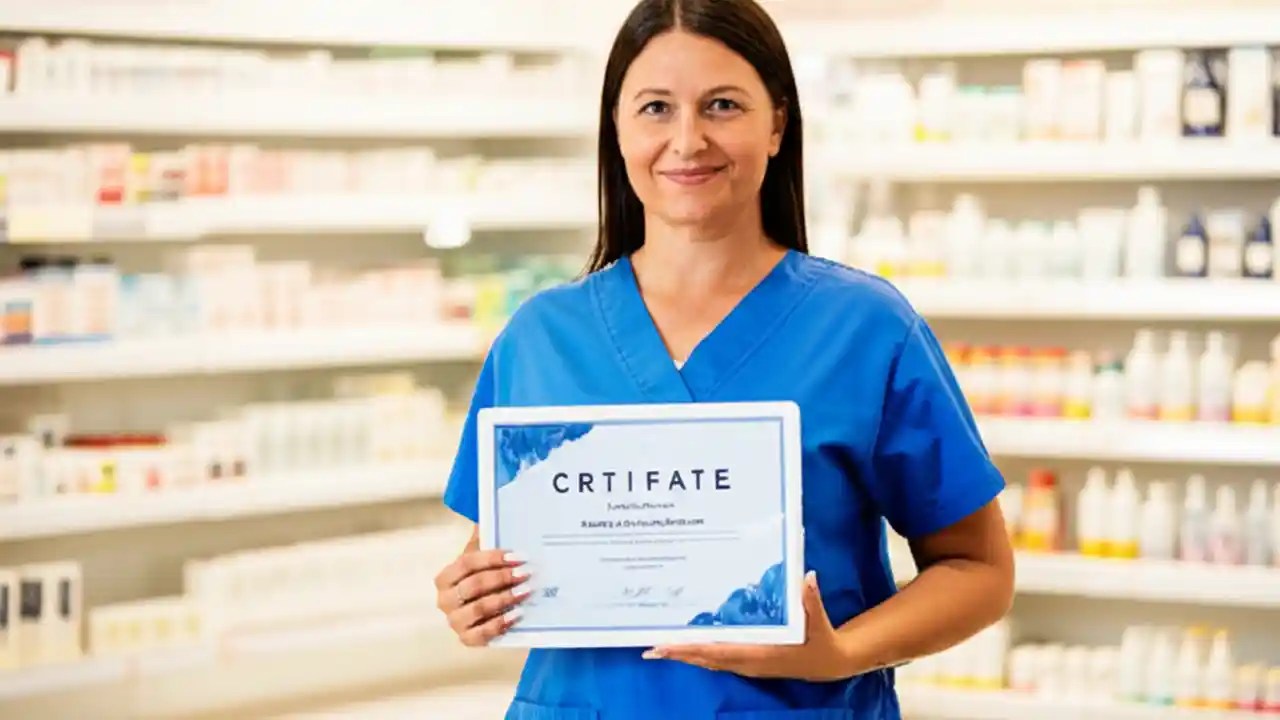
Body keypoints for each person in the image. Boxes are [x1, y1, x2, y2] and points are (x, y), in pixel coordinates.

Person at [433, 0, 1015, 717]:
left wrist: (843, 653)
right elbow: (499, 556)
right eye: (654, 108)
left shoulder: (866, 328)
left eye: (722, 105)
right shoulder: (541, 337)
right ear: (615, 129)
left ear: (777, 123)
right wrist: (472, 596)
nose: (687, 139)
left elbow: (978, 568)